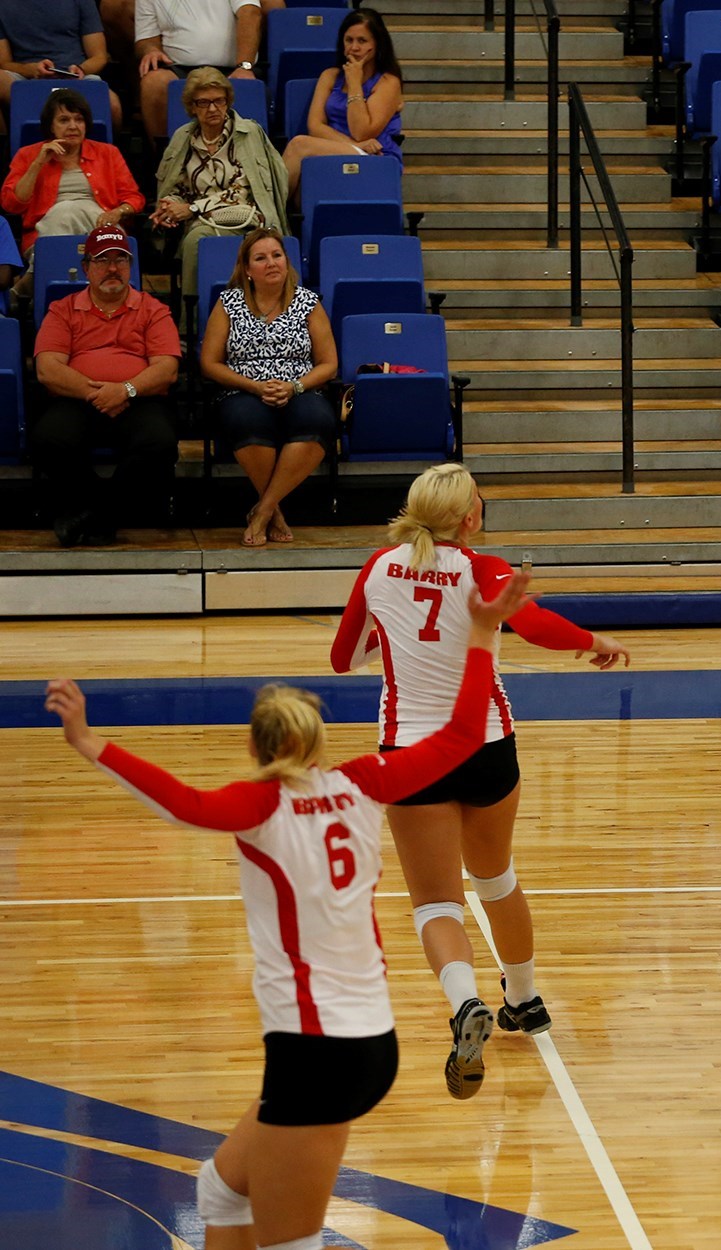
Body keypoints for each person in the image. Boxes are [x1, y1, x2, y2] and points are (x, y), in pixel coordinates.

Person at [45, 570, 532, 1250]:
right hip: (362, 1040)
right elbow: (457, 737)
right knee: (220, 1189)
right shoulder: (366, 780)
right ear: (317, 741)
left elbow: (183, 801)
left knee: (287, 1242)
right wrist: (482, 634)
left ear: (256, 750)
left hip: (318, 1053)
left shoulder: (261, 808)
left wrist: (91, 743)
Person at [329, 464, 630, 1098]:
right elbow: (536, 624)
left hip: (412, 752)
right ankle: (523, 998)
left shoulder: (379, 568)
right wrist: (593, 640)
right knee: (495, 878)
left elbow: (343, 657)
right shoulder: (484, 569)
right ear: (469, 518)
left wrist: (396, 640)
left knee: (437, 903)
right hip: (487, 745)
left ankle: (466, 1004)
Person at [30, 225, 180, 548]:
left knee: (162, 441)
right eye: (102, 260)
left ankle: (94, 516)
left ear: (131, 266)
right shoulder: (63, 309)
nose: (112, 268)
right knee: (47, 439)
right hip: (78, 400)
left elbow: (167, 370)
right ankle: (105, 513)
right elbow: (47, 369)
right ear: (86, 268)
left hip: (138, 400)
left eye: (121, 260)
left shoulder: (153, 310)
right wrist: (97, 393)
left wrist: (124, 389)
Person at [199, 229, 338, 548]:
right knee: (247, 421)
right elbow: (209, 363)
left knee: (317, 421)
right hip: (242, 389)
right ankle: (274, 511)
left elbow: (329, 364)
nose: (271, 263)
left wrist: (295, 386)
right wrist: (253, 385)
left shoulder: (308, 302)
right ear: (247, 269)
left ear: (287, 263)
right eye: (260, 258)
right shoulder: (228, 302)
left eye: (277, 255)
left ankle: (262, 510)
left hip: (299, 388)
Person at [153, 68, 289, 294]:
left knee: (197, 238)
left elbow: (242, 190)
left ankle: (193, 320)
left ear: (228, 102)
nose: (213, 108)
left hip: (244, 219)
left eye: (219, 101)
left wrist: (192, 208)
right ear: (192, 107)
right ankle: (198, 317)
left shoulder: (248, 133)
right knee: (195, 234)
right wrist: (169, 205)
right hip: (198, 220)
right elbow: (178, 187)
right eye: (204, 103)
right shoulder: (182, 139)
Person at [1, 88, 142, 254]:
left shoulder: (108, 153)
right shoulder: (28, 154)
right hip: (47, 231)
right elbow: (11, 204)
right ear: (51, 126)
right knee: (65, 210)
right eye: (64, 120)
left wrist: (118, 212)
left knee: (75, 210)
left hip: (99, 226)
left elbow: (134, 198)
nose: (73, 126)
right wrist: (37, 164)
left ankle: (36, 274)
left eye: (79, 120)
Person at [283, 8, 404, 196]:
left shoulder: (388, 82)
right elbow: (315, 126)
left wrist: (355, 83)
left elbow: (361, 132)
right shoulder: (330, 76)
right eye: (349, 40)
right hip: (337, 153)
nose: (354, 48)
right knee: (302, 193)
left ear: (378, 44)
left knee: (299, 145)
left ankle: (266, 215)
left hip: (375, 157)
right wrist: (353, 147)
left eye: (362, 41)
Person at [135, 0, 263, 138]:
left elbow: (250, 13)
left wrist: (244, 65)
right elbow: (146, 38)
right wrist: (151, 49)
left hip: (233, 68)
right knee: (153, 83)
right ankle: (166, 155)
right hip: (179, 68)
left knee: (245, 82)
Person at [0, 0, 124, 127]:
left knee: (112, 106)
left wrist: (81, 69)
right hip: (25, 78)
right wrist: (31, 70)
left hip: (75, 77)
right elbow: (4, 63)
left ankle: (104, 147)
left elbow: (99, 56)